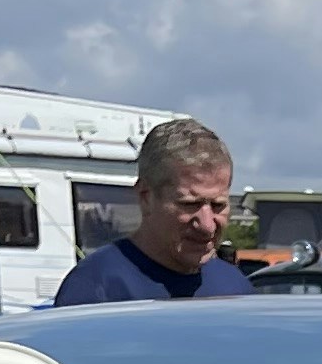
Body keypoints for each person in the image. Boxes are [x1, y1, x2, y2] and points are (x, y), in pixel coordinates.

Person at [54, 119, 251, 303]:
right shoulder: (95, 289)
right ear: (146, 197)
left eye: (218, 205)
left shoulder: (235, 290)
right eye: (190, 204)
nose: (207, 225)